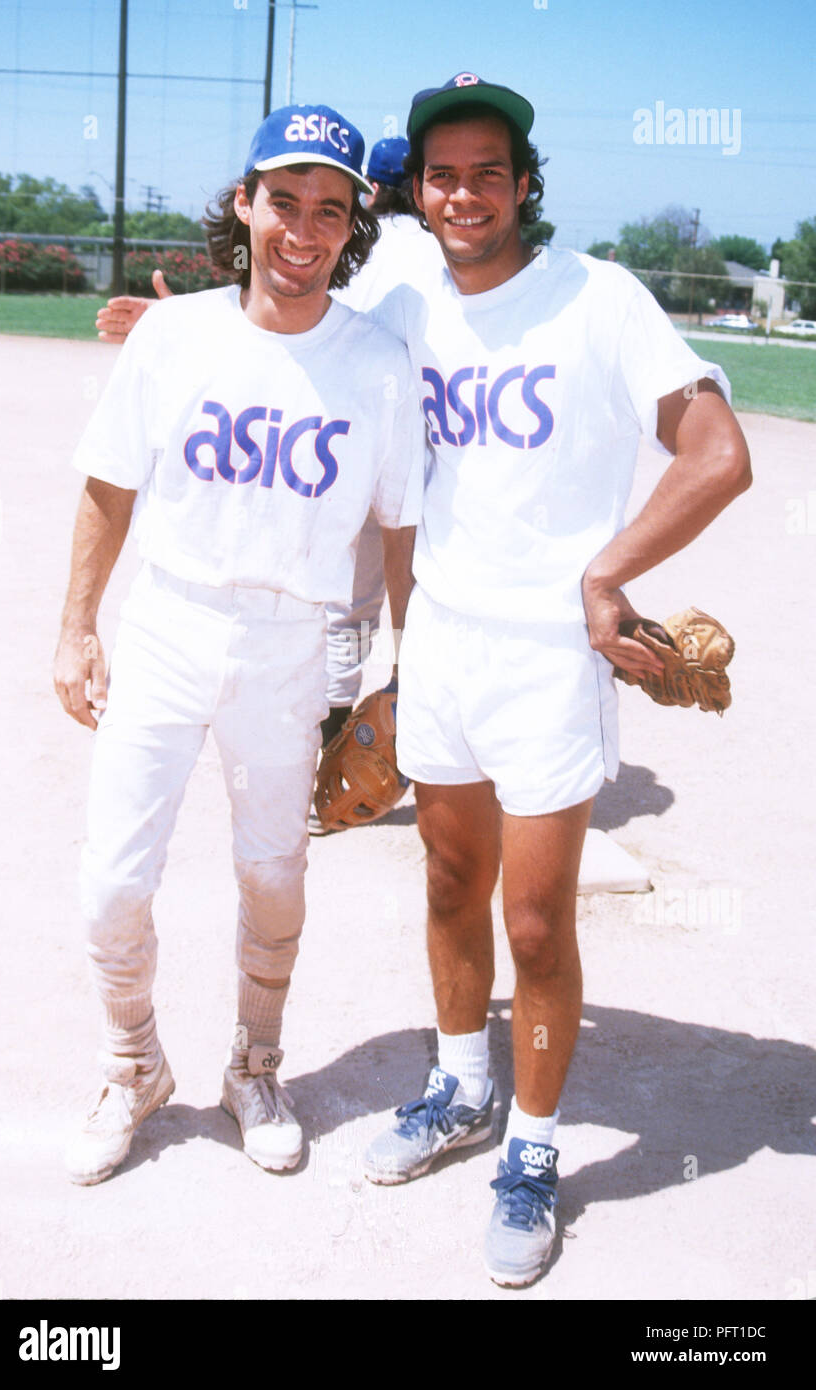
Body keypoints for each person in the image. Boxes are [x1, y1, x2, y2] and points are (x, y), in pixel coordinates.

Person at [359, 74, 752, 1288]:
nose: (464, 191)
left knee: (533, 920)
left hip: (545, 657)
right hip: (441, 647)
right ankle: (459, 1085)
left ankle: (530, 1151)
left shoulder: (600, 297)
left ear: (526, 184)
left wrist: (607, 576)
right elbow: (291, 325)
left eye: (488, 170)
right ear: (416, 192)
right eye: (441, 173)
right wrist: (174, 327)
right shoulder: (401, 294)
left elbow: (717, 454)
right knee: (443, 882)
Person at [54, 103, 426, 1186]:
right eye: (283, 202)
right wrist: (78, 625)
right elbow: (108, 485)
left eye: (329, 208)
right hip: (168, 620)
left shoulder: (377, 365)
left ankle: (255, 1066)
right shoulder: (176, 335)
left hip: (290, 640)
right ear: (244, 204)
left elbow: (399, 529)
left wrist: (407, 671)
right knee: (111, 884)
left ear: (355, 222)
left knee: (272, 876)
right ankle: (132, 1067)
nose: (302, 229)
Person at [95, 138, 444, 836]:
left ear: (368, 197)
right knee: (355, 613)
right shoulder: (431, 257)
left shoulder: (375, 252)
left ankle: (320, 757)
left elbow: (290, 309)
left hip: (334, 432)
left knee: (333, 612)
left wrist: (187, 319)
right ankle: (350, 747)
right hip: (387, 446)